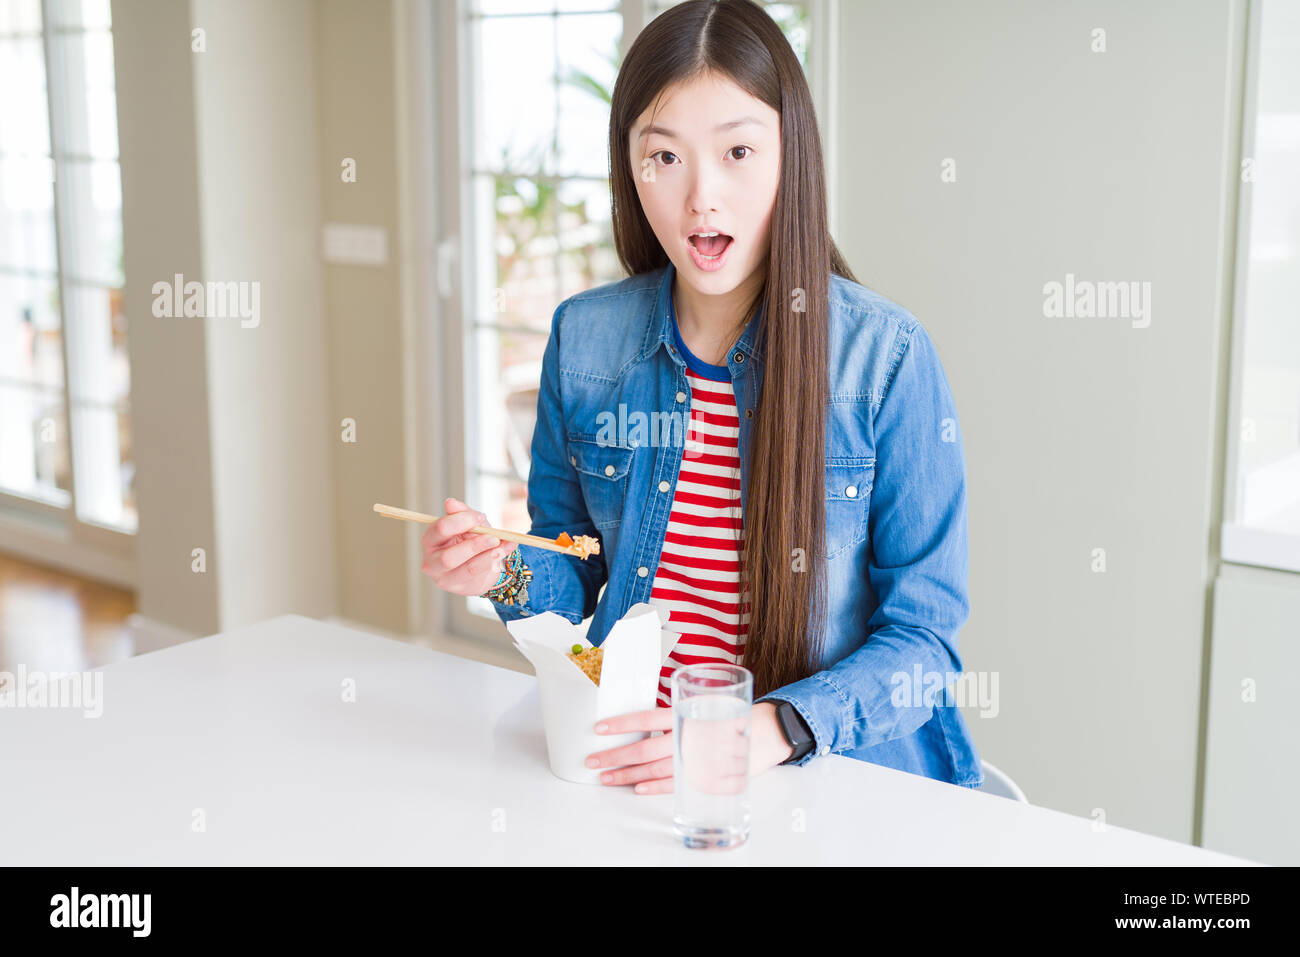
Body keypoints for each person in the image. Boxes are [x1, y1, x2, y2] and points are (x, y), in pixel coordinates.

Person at [422, 0, 983, 795]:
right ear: (631, 169)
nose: (701, 198)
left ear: (793, 158)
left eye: (739, 151)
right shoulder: (585, 342)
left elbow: (925, 644)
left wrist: (763, 730)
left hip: (821, 779)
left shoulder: (884, 358)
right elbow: (574, 574)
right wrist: (498, 571)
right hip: (628, 767)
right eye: (665, 157)